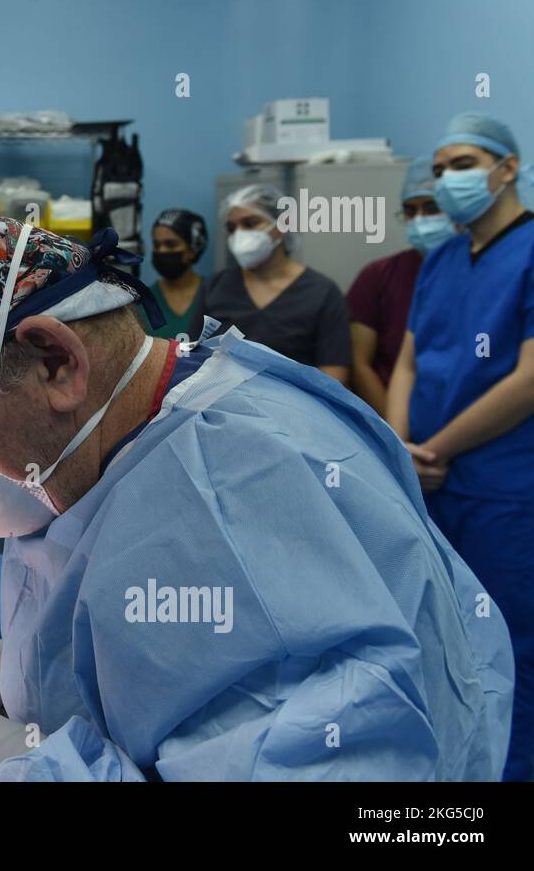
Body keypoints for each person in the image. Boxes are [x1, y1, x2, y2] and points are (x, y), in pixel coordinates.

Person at [0, 217, 513, 781]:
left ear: (54, 361)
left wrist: (25, 766)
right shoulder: (130, 427)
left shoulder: (229, 502)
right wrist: (45, 672)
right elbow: (183, 673)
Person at [386, 112, 534, 782]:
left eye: (464, 163)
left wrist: (435, 447)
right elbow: (409, 362)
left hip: (503, 488)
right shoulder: (442, 259)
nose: (448, 179)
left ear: (508, 167)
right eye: (439, 168)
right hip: (428, 483)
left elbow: (529, 379)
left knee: (511, 646)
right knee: (438, 638)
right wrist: (399, 443)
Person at [204, 184, 352, 384]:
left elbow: (333, 377)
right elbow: (193, 357)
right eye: (232, 228)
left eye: (250, 223)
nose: (239, 234)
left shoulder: (321, 293)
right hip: (223, 406)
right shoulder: (216, 287)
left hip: (297, 410)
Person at [347, 156, 455, 416]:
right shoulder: (380, 275)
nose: (420, 219)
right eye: (410, 210)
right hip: (394, 419)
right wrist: (396, 434)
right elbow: (360, 364)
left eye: (431, 208)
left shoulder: (477, 274)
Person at [139, 208, 207, 341]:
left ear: (193, 249)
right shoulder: (142, 303)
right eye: (156, 245)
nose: (161, 251)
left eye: (170, 245)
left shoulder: (216, 296)